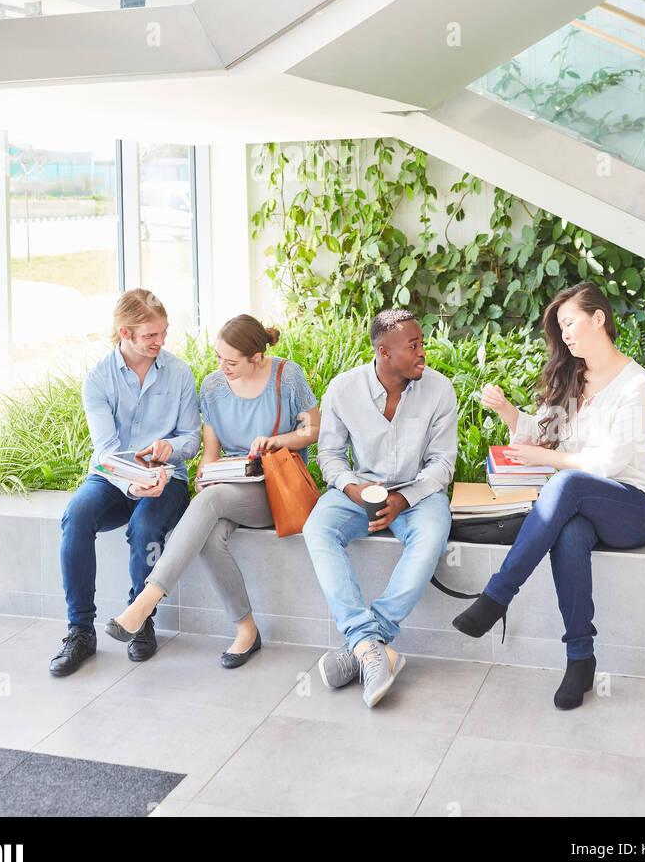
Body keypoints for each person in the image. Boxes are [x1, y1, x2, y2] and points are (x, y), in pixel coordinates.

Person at [452, 282, 645, 710]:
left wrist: (549, 459)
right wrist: (508, 412)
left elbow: (610, 462)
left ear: (598, 318)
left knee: (565, 482)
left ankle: (496, 595)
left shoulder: (634, 384)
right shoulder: (573, 376)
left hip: (634, 507)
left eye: (570, 323)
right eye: (560, 327)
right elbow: (540, 432)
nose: (564, 334)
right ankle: (579, 659)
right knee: (569, 535)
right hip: (587, 508)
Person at [106, 315, 320, 666]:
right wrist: (206, 474)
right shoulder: (213, 386)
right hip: (230, 486)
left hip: (274, 489)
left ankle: (145, 602)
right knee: (209, 529)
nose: (222, 367)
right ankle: (246, 630)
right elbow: (210, 453)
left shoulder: (287, 376)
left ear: (255, 357)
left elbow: (313, 428)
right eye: (218, 357)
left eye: (231, 362)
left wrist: (276, 441)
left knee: (212, 499)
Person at [303, 309, 457, 708]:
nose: (424, 352)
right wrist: (353, 489)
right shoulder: (343, 389)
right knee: (318, 528)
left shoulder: (440, 390)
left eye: (422, 342)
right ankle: (370, 646)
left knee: (433, 536)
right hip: (359, 490)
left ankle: (367, 643)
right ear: (384, 353)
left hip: (417, 494)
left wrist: (404, 499)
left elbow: (442, 463)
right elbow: (331, 456)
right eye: (414, 346)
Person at [49, 289, 199, 677]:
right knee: (76, 516)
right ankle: (80, 630)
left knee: (145, 525)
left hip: (168, 478)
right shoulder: (98, 380)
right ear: (124, 333)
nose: (160, 341)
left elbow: (192, 439)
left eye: (163, 332)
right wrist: (132, 484)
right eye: (151, 335)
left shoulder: (179, 373)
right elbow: (107, 451)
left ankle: (140, 617)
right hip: (114, 479)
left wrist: (171, 447)